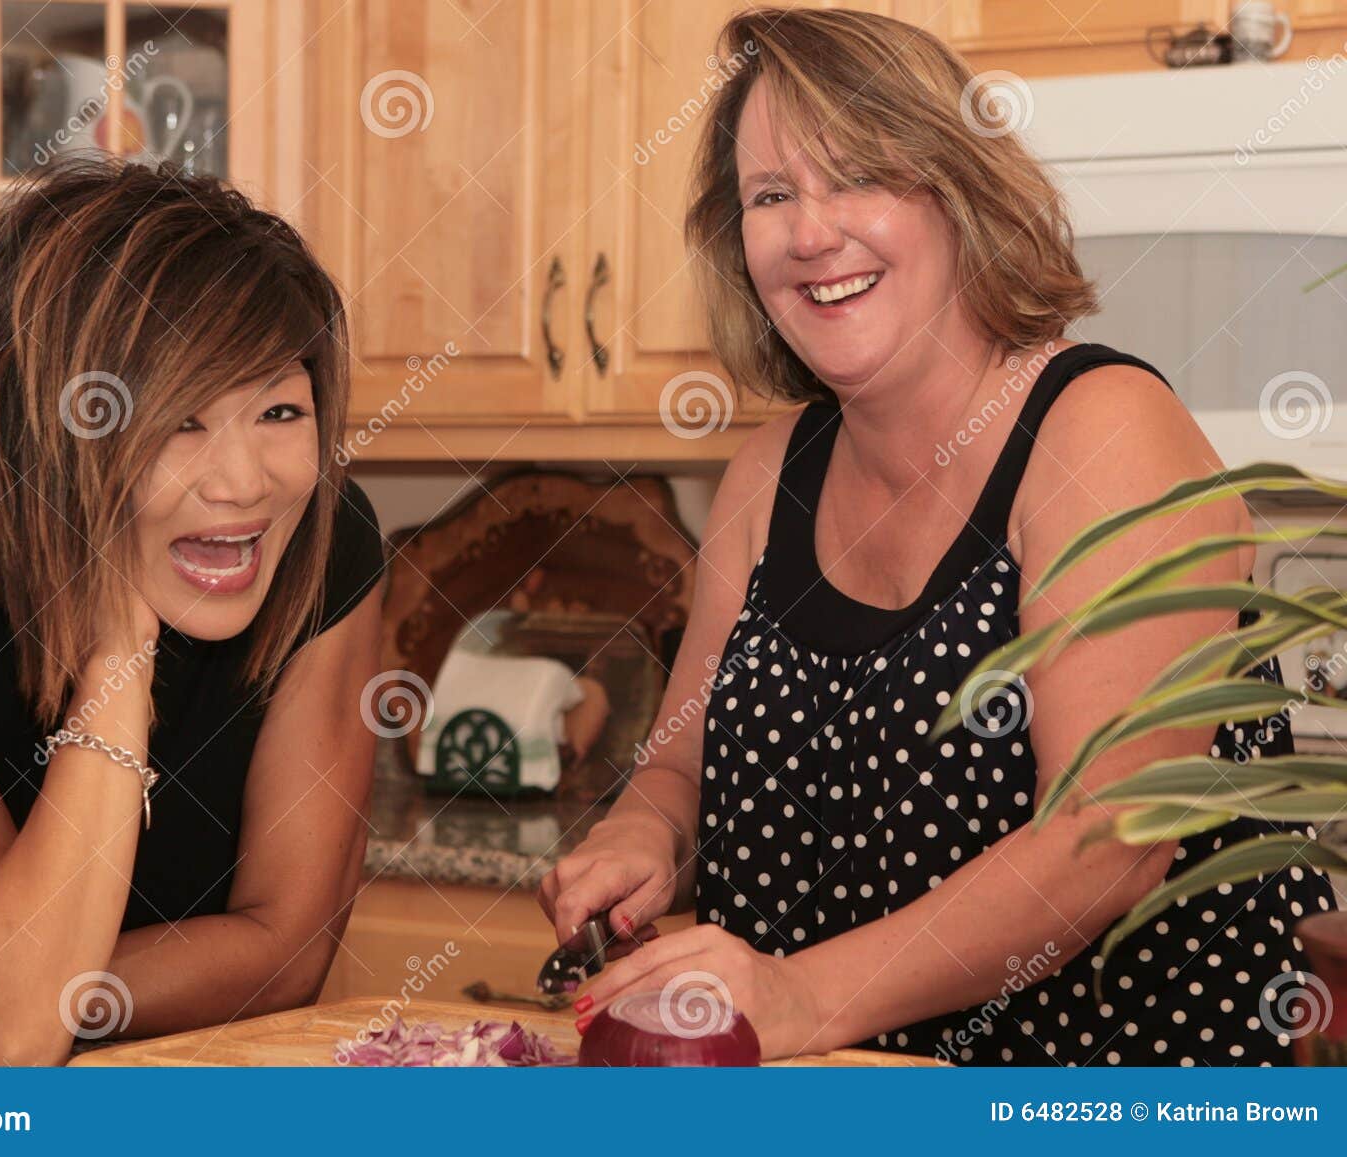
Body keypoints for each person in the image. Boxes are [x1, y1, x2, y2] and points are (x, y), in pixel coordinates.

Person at [538, 7, 1338, 1066]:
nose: (811, 232)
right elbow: (678, 766)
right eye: (770, 195)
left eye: (858, 175)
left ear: (959, 195)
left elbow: (1107, 839)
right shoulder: (765, 477)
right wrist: (646, 832)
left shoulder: (1099, 430)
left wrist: (797, 995)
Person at [0, 157, 386, 1066]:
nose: (247, 484)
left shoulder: (327, 545)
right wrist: (117, 650)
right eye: (179, 422)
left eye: (280, 409)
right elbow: (11, 1037)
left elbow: (286, 947)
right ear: (49, 441)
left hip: (80, 1065)